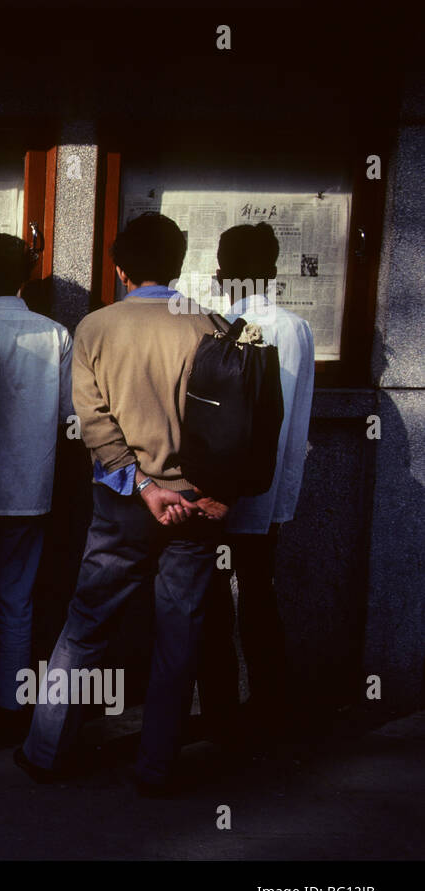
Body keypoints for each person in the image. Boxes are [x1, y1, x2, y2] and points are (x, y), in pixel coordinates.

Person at [16, 212, 228, 795]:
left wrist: (143, 485)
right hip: (193, 506)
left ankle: (44, 751)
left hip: (123, 503)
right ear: (179, 265)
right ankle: (157, 766)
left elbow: (95, 423)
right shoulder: (212, 324)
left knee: (85, 626)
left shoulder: (95, 328)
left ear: (119, 268)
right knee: (178, 635)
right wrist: (205, 494)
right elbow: (235, 428)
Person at [198, 223, 315, 746]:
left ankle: (221, 709)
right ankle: (272, 703)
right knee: (261, 596)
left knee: (216, 601)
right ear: (273, 270)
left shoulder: (231, 326)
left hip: (227, 489)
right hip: (273, 492)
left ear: (223, 272)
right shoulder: (300, 328)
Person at [0, 232, 72, 741]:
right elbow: (72, 416)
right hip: (31, 489)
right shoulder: (55, 334)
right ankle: (11, 707)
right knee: (17, 599)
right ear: (25, 276)